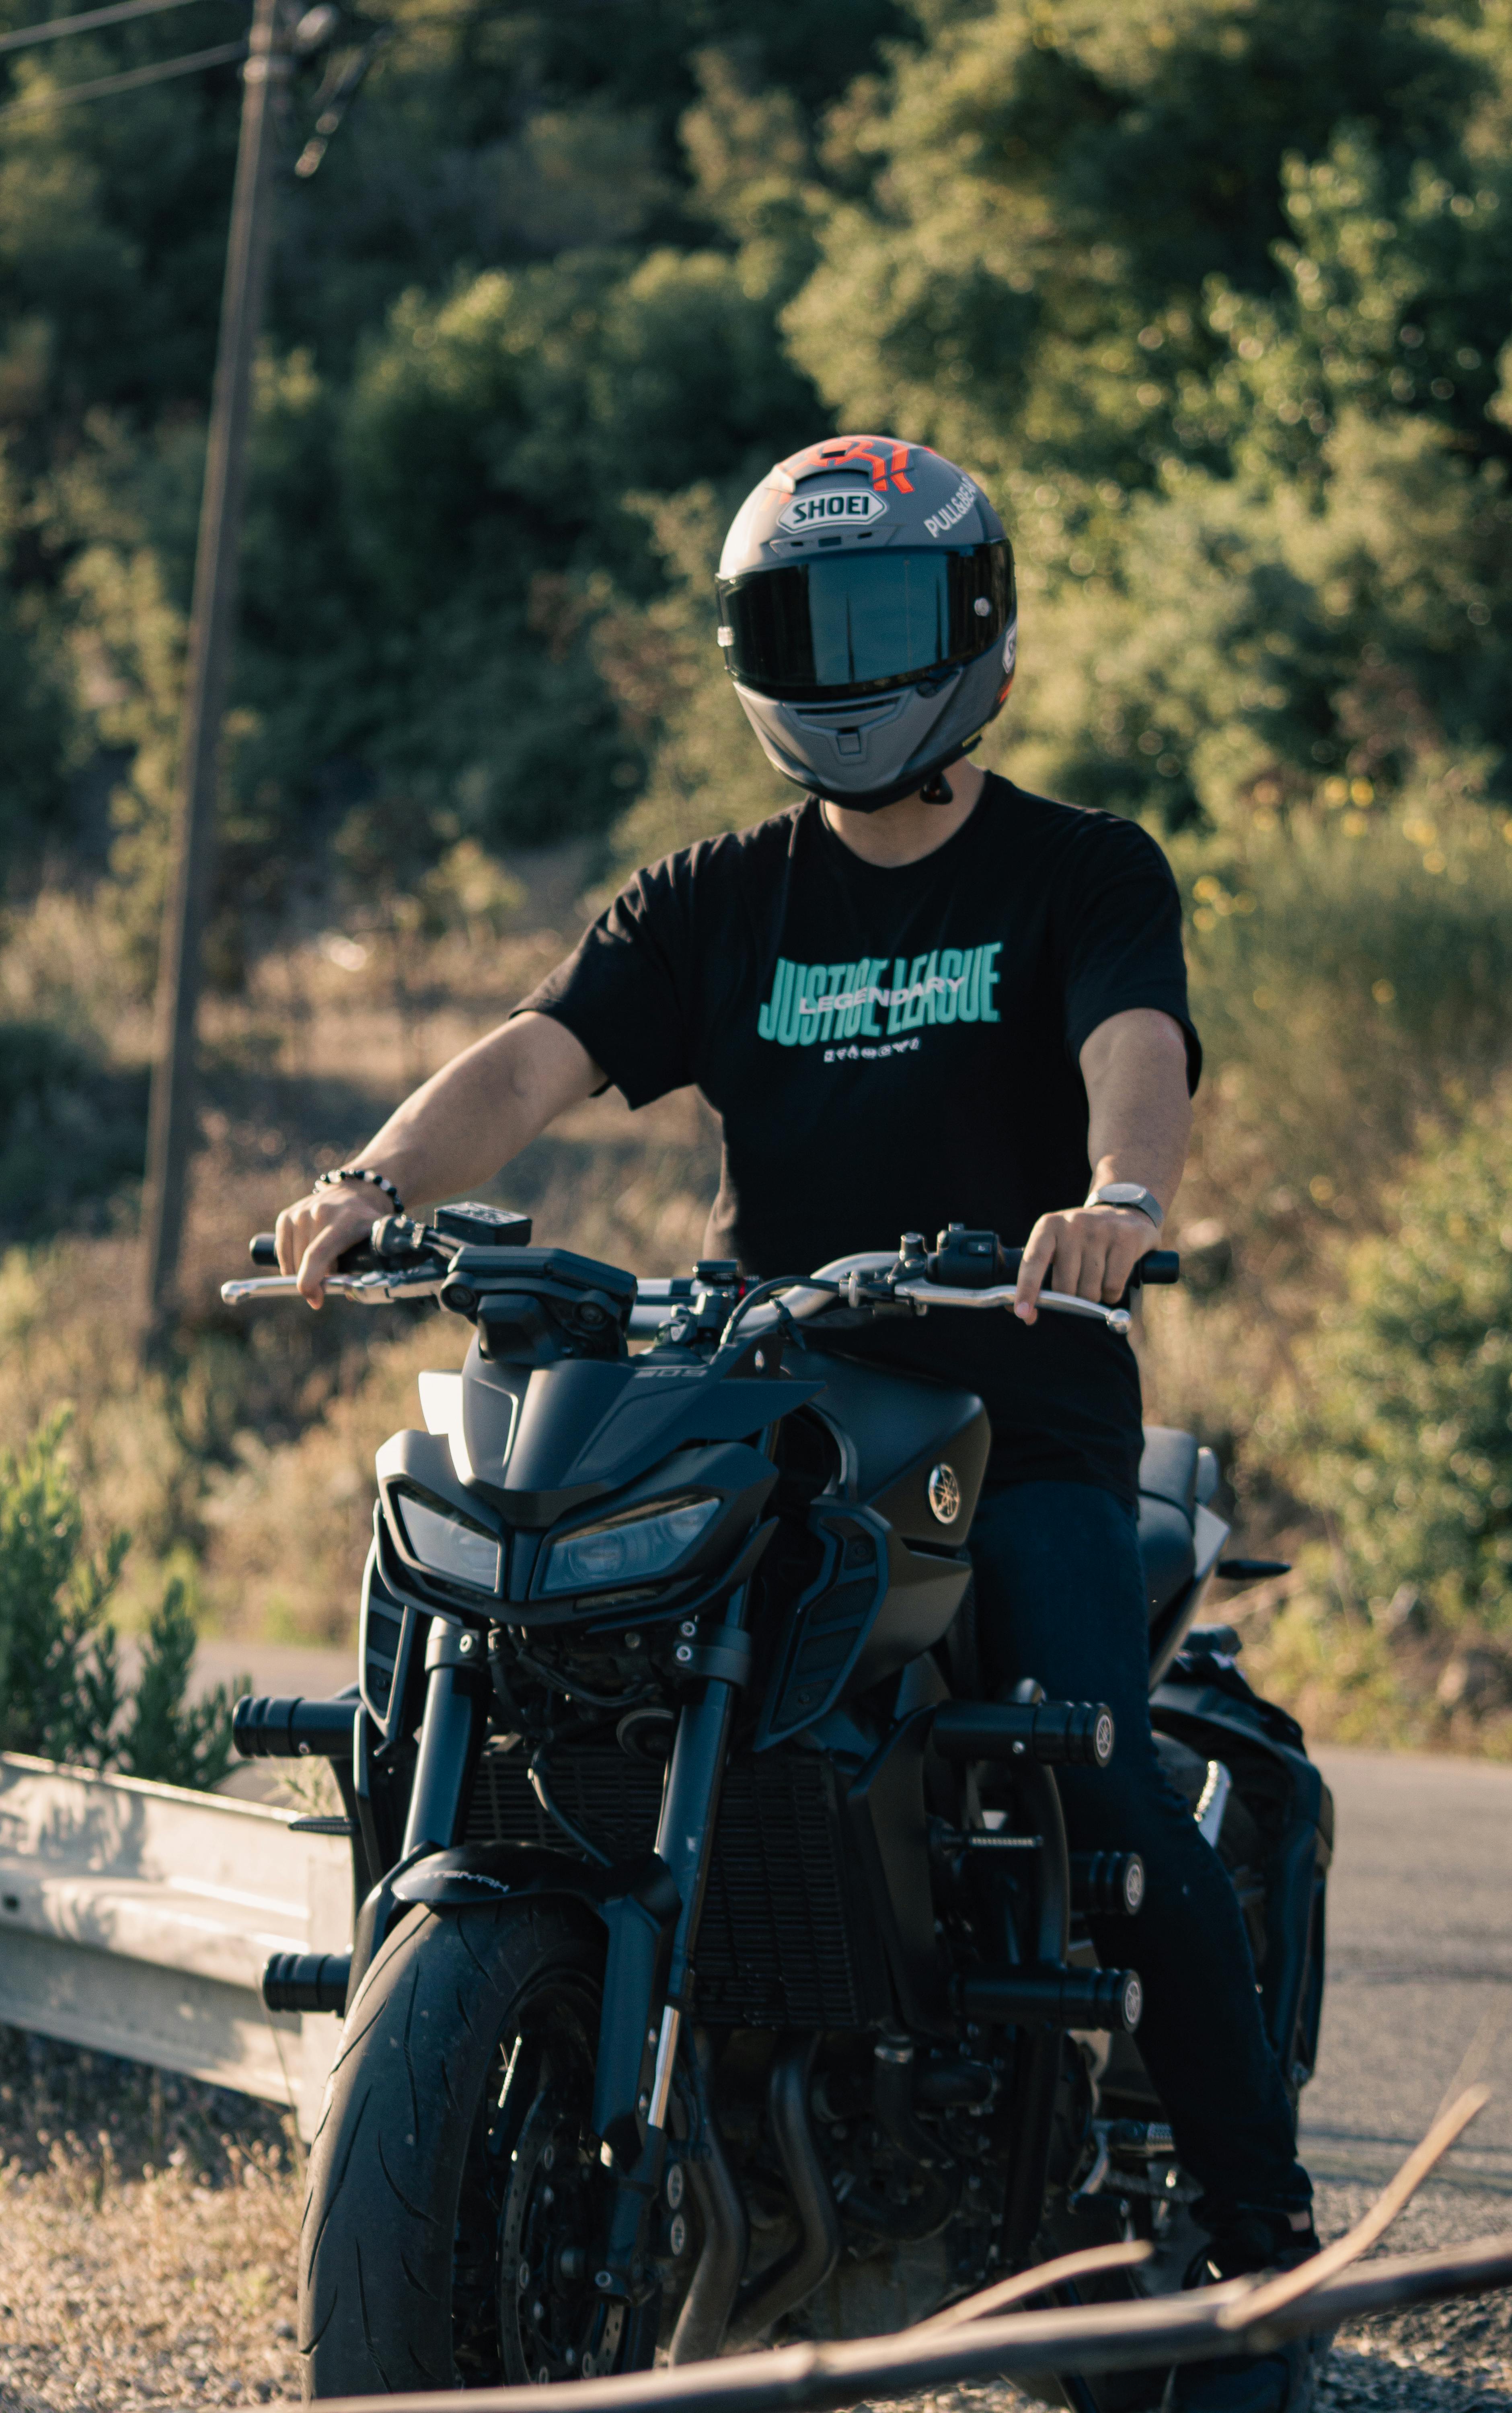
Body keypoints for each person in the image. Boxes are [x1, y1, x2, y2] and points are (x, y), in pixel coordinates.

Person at [276, 434, 1318, 2413]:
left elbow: (1136, 1048)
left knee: (1094, 1780)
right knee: (512, 1666)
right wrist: (371, 1180)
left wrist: (1119, 1206)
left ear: (977, 638)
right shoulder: (717, 900)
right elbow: (534, 1054)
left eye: (884, 624)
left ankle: (1266, 2259)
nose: (842, 664)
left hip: (1010, 1409)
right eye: (802, 626)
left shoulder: (1081, 869)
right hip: (776, 1407)